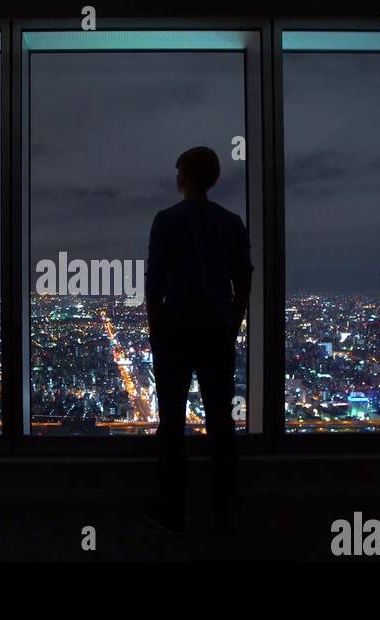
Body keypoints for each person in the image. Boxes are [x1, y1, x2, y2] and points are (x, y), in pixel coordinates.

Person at [143, 146, 253, 533]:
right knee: (221, 424)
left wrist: (157, 334)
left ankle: (173, 510)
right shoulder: (231, 222)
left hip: (175, 330)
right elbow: (244, 280)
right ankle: (225, 511)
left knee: (172, 424)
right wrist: (233, 323)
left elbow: (154, 285)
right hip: (215, 331)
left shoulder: (166, 221)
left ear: (185, 177)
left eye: (178, 172)